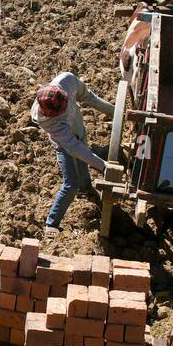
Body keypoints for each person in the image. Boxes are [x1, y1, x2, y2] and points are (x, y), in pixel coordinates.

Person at [32, 73, 115, 236]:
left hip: (79, 133)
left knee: (83, 163)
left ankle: (87, 189)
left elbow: (89, 97)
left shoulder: (67, 80)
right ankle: (52, 222)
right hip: (65, 146)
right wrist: (103, 166)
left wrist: (115, 112)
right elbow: (73, 147)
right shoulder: (49, 122)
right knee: (71, 184)